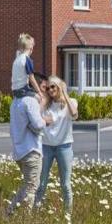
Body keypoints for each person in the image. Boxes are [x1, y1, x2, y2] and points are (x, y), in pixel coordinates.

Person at [8, 75, 52, 215]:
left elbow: (26, 125)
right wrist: (46, 121)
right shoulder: (31, 101)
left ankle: (10, 212)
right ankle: (24, 218)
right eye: (44, 87)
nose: (46, 91)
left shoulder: (16, 101)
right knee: (32, 186)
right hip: (31, 150)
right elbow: (37, 125)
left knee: (28, 184)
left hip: (20, 151)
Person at [34, 76, 79, 214]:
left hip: (64, 146)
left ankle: (67, 214)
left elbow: (74, 114)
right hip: (46, 146)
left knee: (65, 184)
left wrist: (65, 93)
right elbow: (35, 118)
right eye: (48, 88)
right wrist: (43, 101)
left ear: (59, 87)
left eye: (53, 86)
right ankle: (35, 210)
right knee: (41, 182)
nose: (50, 90)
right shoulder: (45, 104)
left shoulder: (71, 102)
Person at [12, 34, 44, 100]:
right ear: (31, 48)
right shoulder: (27, 60)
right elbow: (32, 78)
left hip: (15, 91)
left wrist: (21, 40)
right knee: (40, 99)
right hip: (23, 90)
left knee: (32, 91)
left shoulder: (17, 58)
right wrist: (39, 92)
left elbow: (19, 49)